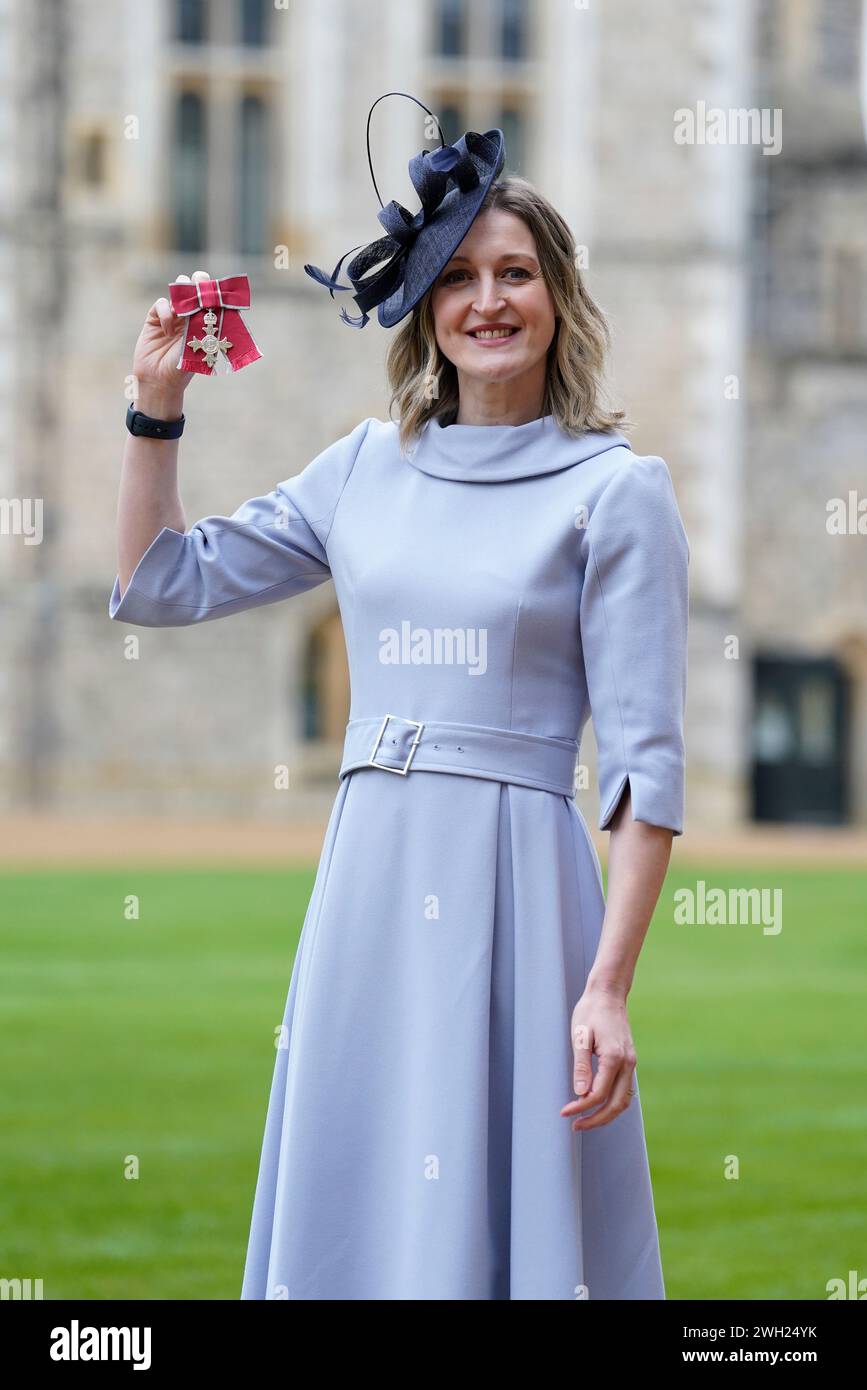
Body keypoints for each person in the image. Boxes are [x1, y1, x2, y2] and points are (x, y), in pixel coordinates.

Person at [110, 95, 689, 1301]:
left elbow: (642, 770)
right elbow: (162, 583)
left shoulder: (618, 492)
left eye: (518, 272)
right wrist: (154, 409)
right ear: (426, 305)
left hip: (525, 896)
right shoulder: (364, 466)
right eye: (462, 274)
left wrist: (608, 985)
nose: (490, 299)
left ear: (558, 299)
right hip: (368, 886)